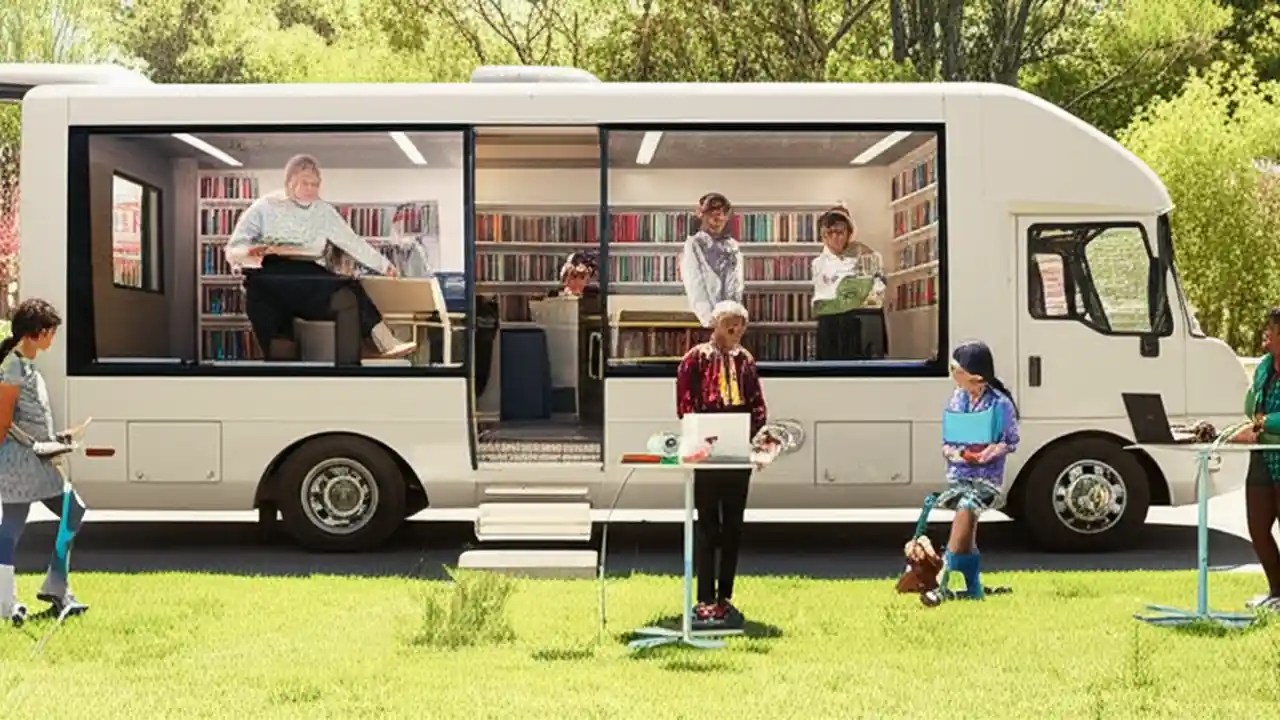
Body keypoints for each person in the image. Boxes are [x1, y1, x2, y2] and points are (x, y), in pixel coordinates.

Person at [225, 154, 416, 361]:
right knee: (280, 348)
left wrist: (384, 266)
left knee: (348, 291)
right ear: (289, 182)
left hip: (306, 274)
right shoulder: (264, 206)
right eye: (305, 183)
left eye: (315, 184)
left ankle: (381, 343)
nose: (311, 189)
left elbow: (351, 242)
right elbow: (235, 247)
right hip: (268, 276)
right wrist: (250, 253)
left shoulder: (324, 211)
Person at [675, 300, 768, 627]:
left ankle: (725, 596)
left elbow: (758, 405)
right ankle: (704, 598)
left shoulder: (746, 361)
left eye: (741, 326)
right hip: (706, 452)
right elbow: (685, 406)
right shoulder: (695, 360)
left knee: (733, 527)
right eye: (731, 326)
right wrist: (701, 436)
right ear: (715, 326)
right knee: (707, 527)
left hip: (737, 451)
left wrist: (754, 438)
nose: (737, 332)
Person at [0, 299, 88, 626]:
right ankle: (7, 602)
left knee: (73, 509)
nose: (53, 338)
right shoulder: (12, 366)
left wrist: (57, 439)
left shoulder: (25, 364)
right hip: (20, 464)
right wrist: (39, 446)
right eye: (51, 332)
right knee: (11, 529)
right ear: (37, 332)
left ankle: (55, 586)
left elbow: (28, 418)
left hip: (36, 461)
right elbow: (3, 422)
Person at [934, 340, 1020, 600]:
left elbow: (1010, 442)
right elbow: (947, 442)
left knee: (967, 509)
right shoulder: (957, 398)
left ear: (975, 375)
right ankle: (973, 588)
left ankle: (943, 578)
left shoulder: (1000, 404)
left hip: (986, 480)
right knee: (967, 528)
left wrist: (986, 454)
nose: (951, 374)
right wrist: (959, 454)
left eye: (955, 369)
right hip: (959, 475)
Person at [1233, 308, 1280, 610]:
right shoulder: (1265, 366)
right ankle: (1276, 593)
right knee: (1258, 528)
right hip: (1263, 456)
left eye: (1272, 329)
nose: (1266, 332)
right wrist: (1256, 419)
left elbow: (1264, 419)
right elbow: (1252, 406)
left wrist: (1262, 424)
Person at [809, 204, 887, 360]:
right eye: (828, 233)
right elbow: (824, 290)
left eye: (839, 232)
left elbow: (879, 284)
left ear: (848, 233)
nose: (834, 237)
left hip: (859, 319)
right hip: (830, 322)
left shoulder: (864, 254)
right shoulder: (818, 263)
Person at [680, 193, 744, 328]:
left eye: (721, 215)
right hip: (708, 321)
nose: (717, 220)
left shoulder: (732, 246)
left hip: (730, 320)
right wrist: (710, 319)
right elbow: (695, 285)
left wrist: (733, 314)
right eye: (712, 215)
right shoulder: (694, 244)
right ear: (702, 216)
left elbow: (736, 283)